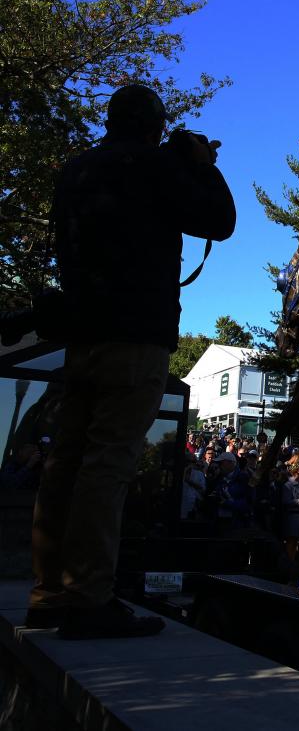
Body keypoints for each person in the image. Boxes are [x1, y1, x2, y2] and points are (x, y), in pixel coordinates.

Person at [28, 84, 235, 639]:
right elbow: (219, 220)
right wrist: (202, 163)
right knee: (107, 464)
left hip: (82, 337)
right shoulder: (154, 166)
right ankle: (88, 597)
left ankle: (48, 592)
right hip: (135, 337)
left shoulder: (76, 171)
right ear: (154, 126)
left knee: (64, 463)